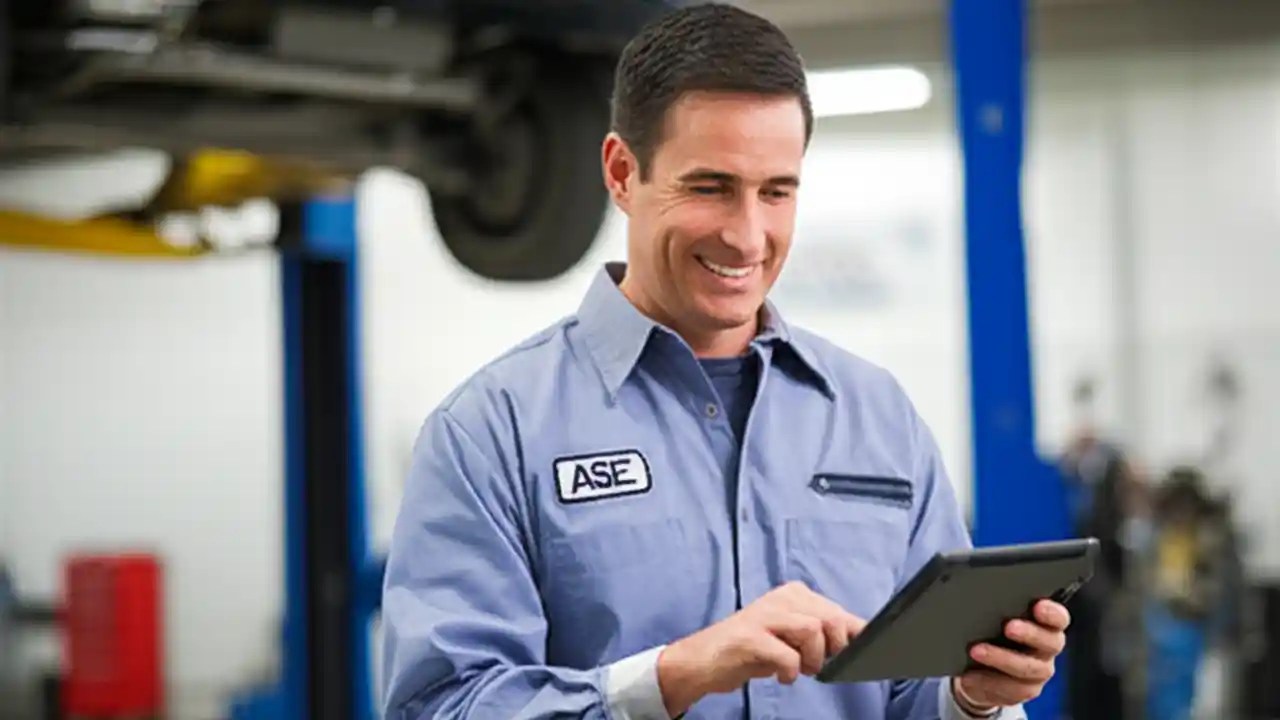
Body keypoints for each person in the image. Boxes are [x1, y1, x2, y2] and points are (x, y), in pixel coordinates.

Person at [381, 5, 1070, 719]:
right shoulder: (492, 433)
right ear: (622, 173)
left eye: (776, 192)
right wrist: (676, 674)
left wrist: (972, 698)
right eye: (710, 187)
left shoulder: (877, 417)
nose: (747, 237)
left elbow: (908, 697)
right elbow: (445, 706)